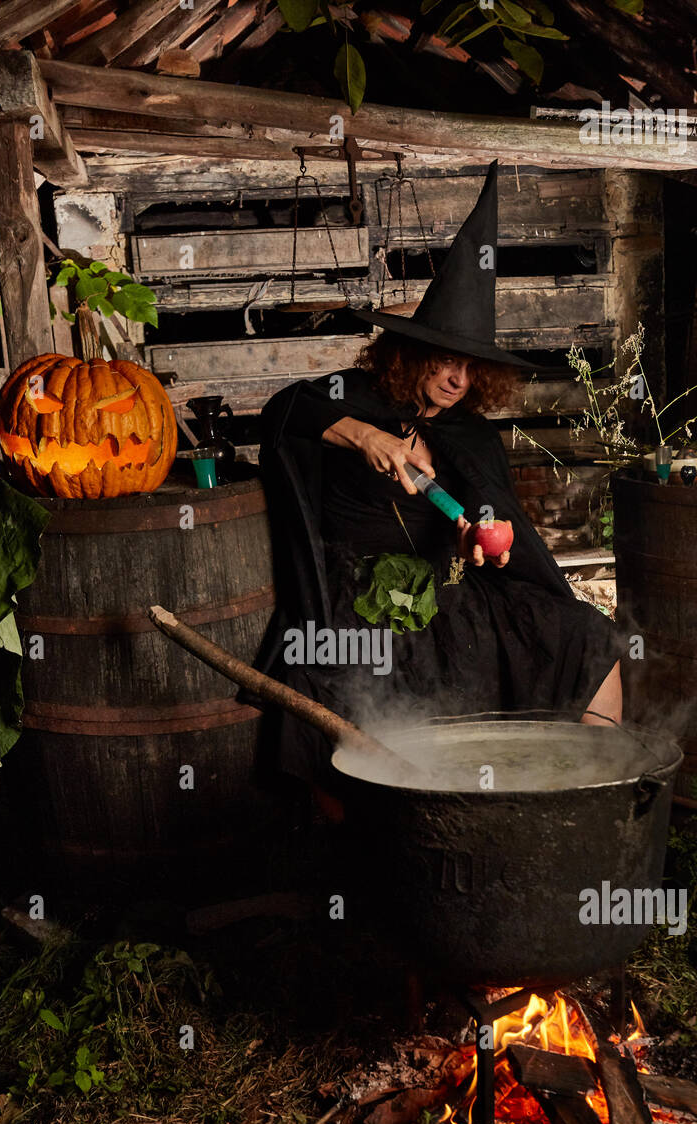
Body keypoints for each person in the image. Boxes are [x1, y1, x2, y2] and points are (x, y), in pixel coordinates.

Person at [252, 161, 626, 792]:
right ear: (410, 353)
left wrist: (472, 547)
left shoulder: (467, 436)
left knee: (582, 633)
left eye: (471, 367)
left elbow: (480, 533)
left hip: (444, 588)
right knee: (390, 665)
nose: (459, 380)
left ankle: (591, 790)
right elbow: (283, 410)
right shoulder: (352, 399)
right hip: (360, 596)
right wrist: (364, 435)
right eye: (446, 361)